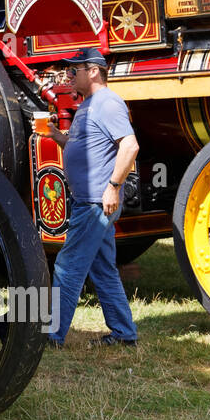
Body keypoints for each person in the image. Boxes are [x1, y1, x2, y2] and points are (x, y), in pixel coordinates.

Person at [44, 48, 140, 347]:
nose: (69, 75)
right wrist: (56, 136)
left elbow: (129, 146)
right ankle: (124, 334)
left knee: (67, 265)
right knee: (102, 268)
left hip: (96, 201)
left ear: (94, 71)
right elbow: (86, 144)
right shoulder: (89, 105)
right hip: (90, 200)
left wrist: (113, 186)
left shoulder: (107, 103)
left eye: (75, 70)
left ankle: (50, 336)